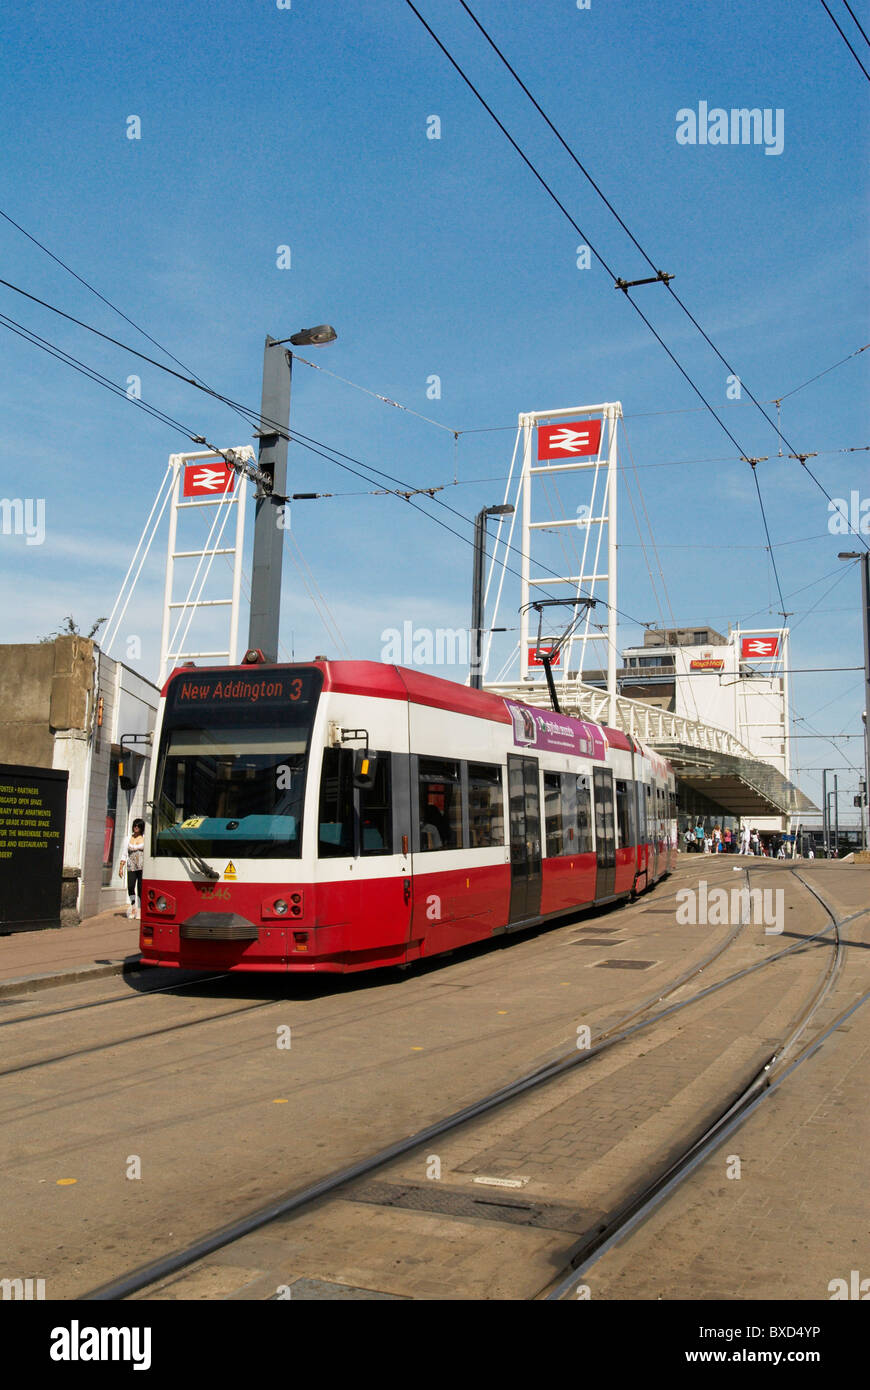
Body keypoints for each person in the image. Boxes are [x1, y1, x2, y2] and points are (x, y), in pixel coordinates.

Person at [124, 818, 145, 919]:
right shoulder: (128, 838)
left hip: (142, 866)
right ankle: (133, 907)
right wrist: (121, 866)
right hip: (131, 866)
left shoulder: (145, 838)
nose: (136, 828)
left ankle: (140, 910)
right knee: (130, 886)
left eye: (138, 826)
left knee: (140, 888)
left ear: (141, 828)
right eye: (134, 826)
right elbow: (124, 853)